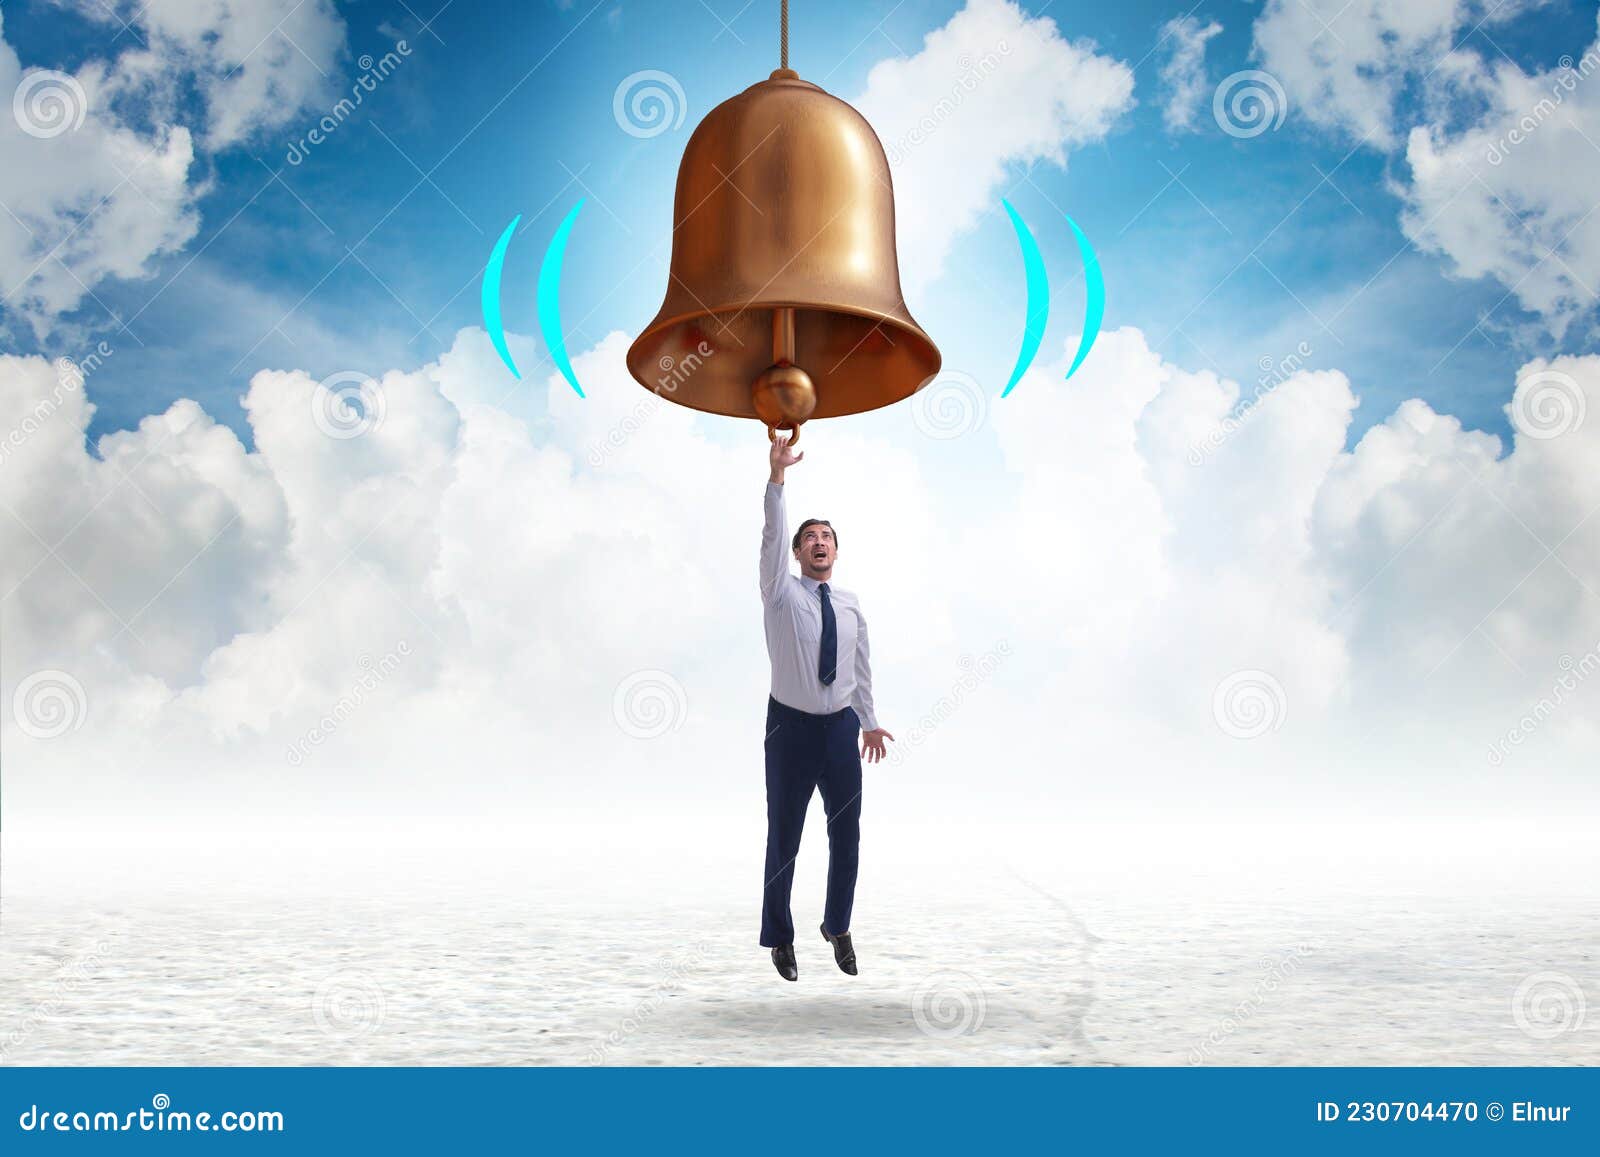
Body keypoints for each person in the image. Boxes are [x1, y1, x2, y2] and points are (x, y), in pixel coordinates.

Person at [759, 433, 894, 982]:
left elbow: (859, 669)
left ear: (836, 552)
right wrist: (777, 476)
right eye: (809, 538)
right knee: (784, 835)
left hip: (840, 731)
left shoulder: (850, 603)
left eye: (826, 538)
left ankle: (837, 926)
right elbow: (770, 534)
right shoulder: (780, 592)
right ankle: (779, 937)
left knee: (847, 833)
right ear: (797, 553)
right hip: (790, 730)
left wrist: (869, 722)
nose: (818, 543)